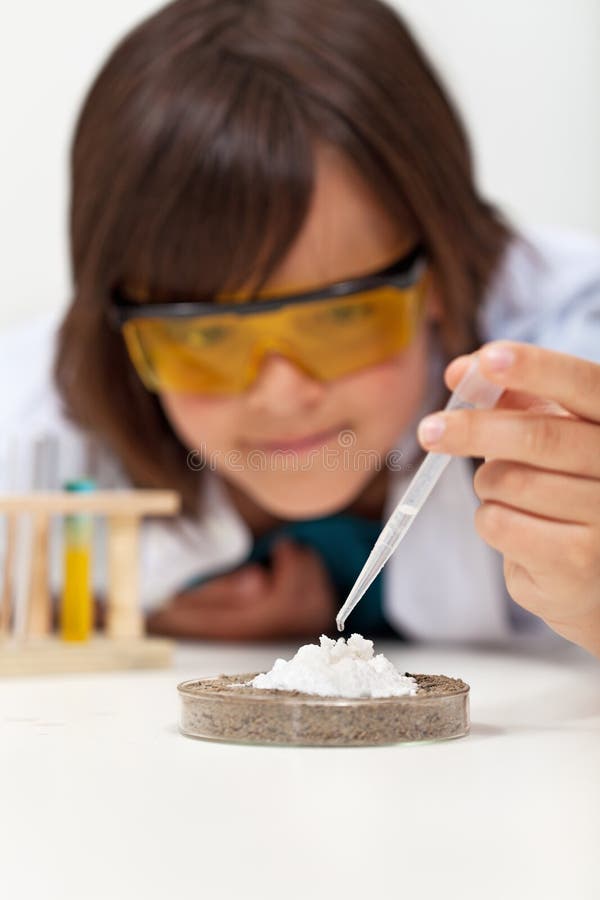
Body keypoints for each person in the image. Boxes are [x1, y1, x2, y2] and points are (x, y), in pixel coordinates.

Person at [2, 0, 599, 654]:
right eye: (205, 336)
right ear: (120, 326)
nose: (282, 395)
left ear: (440, 265)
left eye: (342, 316)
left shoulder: (574, 349)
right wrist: (111, 616)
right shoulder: (32, 418)